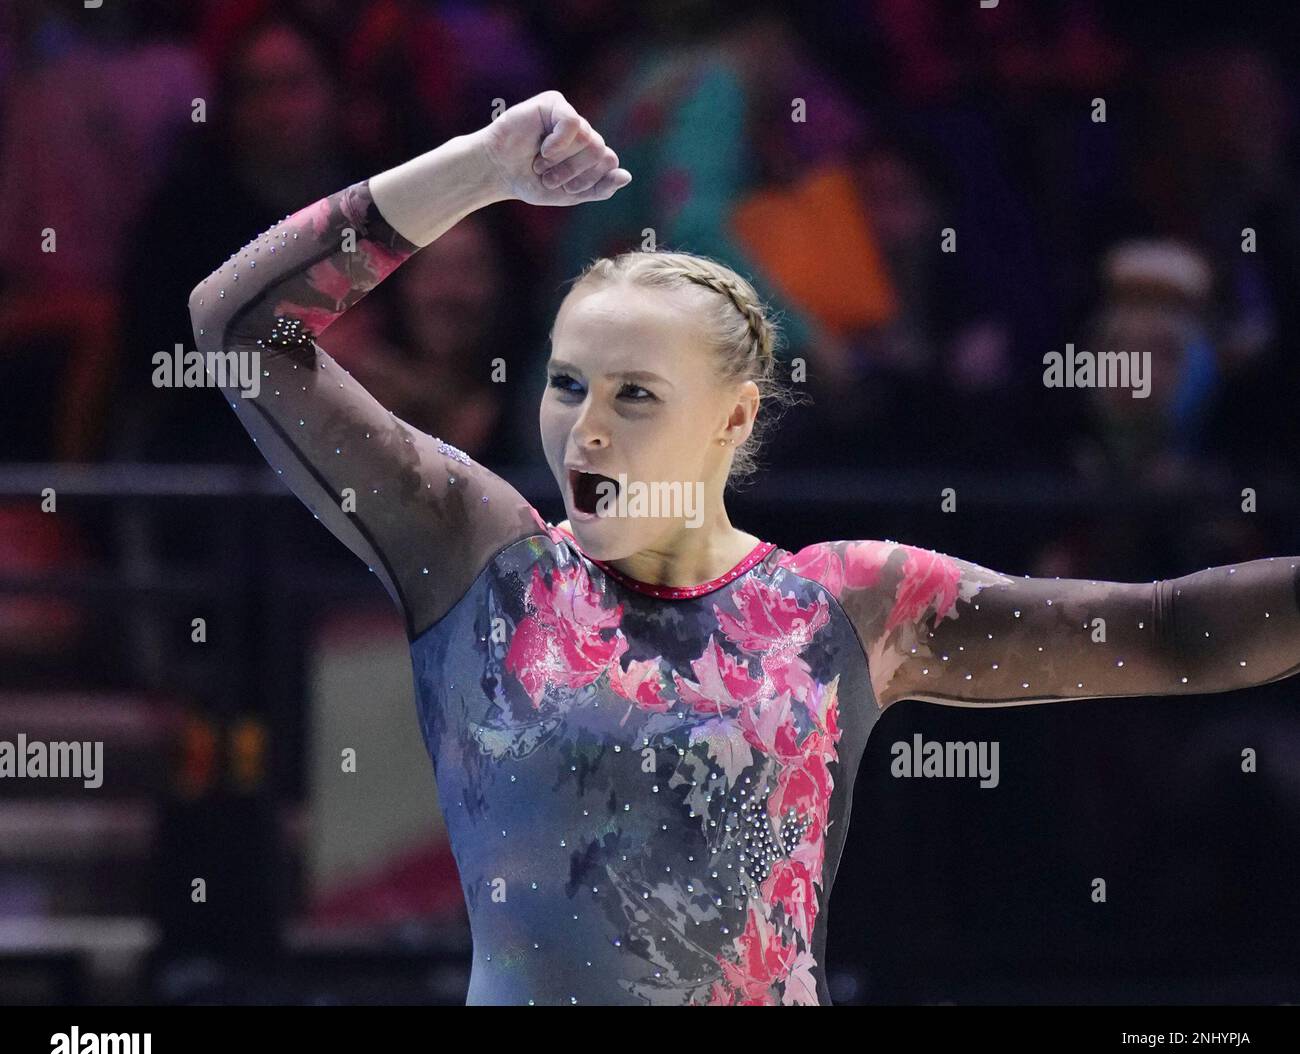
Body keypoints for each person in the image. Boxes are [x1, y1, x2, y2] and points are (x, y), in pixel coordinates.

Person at [188, 91, 1300, 1006]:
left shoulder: (848, 608)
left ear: (731, 418)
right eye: (568, 384)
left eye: (636, 393)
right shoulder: (481, 562)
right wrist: (480, 168)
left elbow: (1171, 630)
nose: (588, 426)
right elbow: (241, 329)